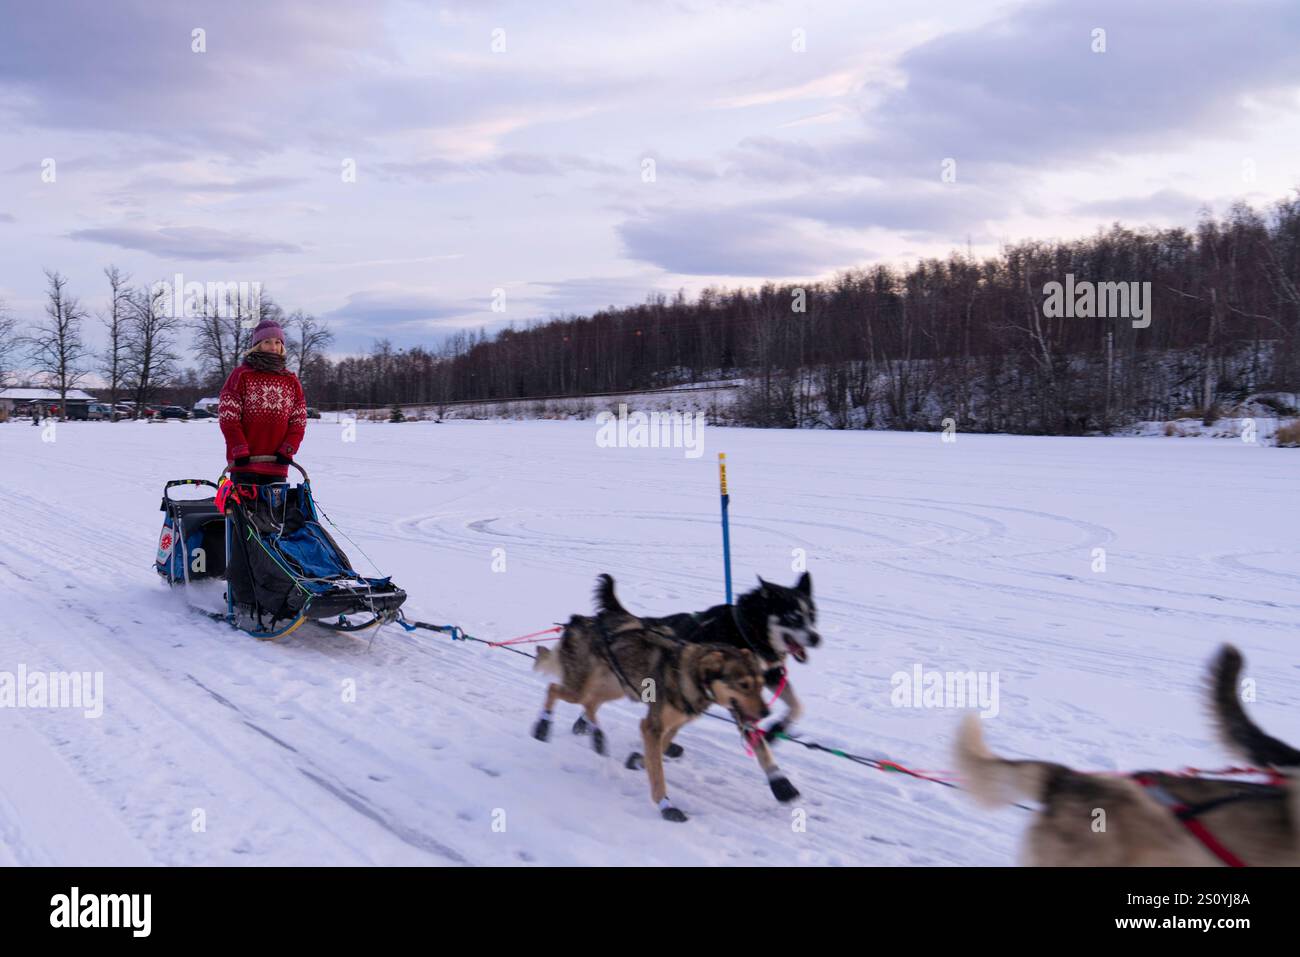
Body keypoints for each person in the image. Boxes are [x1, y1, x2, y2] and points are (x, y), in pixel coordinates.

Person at [218, 319, 307, 485]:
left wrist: (288, 449)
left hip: (277, 465)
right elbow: (229, 419)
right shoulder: (241, 376)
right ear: (257, 345)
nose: (273, 347)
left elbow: (298, 422)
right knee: (243, 511)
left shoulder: (291, 381)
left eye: (277, 342)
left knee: (277, 511)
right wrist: (239, 449)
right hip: (244, 465)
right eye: (267, 342)